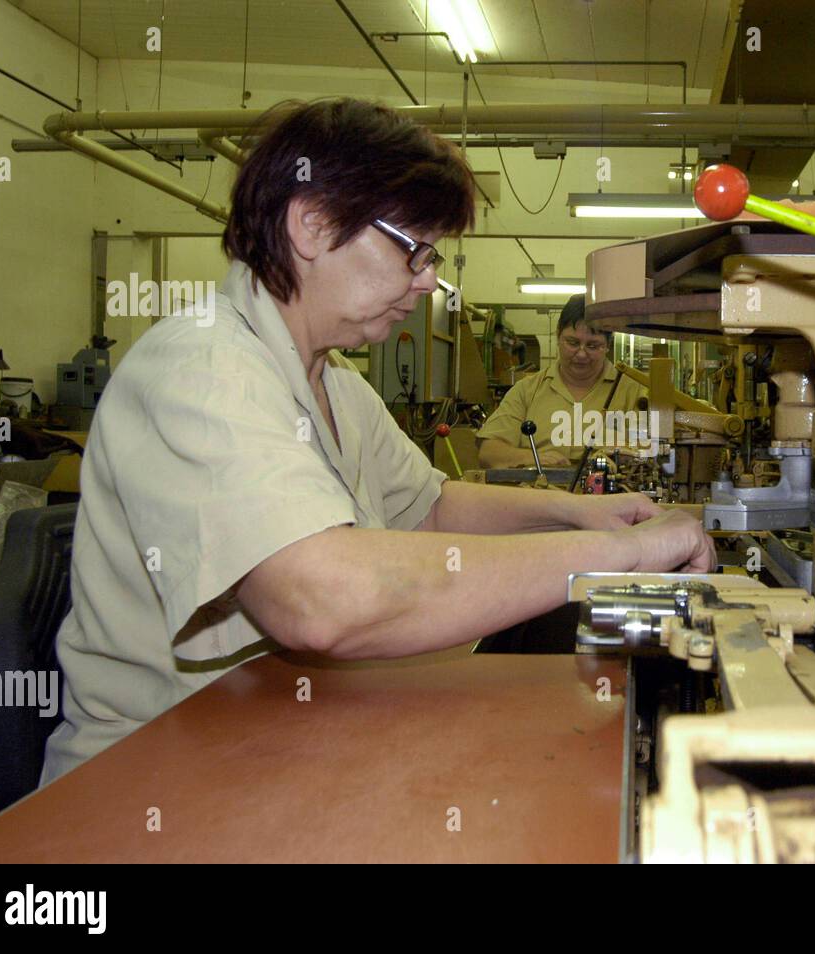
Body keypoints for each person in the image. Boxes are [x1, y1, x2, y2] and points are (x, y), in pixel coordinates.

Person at [40, 98, 714, 783]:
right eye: (412, 249)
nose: (428, 280)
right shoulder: (201, 372)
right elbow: (320, 601)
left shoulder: (333, 381)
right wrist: (615, 555)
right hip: (158, 776)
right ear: (312, 223)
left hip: (282, 738)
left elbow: (433, 507)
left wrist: (579, 512)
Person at [476, 295, 648, 469]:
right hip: (538, 493)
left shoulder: (635, 391)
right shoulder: (526, 391)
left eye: (593, 346)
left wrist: (622, 455)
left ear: (608, 345)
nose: (581, 354)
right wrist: (533, 458)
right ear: (558, 335)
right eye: (572, 343)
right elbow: (489, 452)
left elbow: (657, 454)